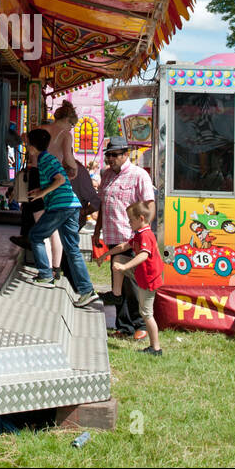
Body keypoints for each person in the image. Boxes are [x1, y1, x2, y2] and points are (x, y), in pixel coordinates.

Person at [25, 127, 98, 307]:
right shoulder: (49, 158)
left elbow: (60, 180)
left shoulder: (44, 159)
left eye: (27, 144)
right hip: (71, 205)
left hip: (61, 206)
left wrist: (42, 193)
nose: (26, 147)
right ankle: (87, 290)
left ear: (32, 146)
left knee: (36, 236)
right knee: (72, 249)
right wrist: (41, 191)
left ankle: (46, 274)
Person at [93, 136, 156, 340]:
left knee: (133, 283)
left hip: (131, 238)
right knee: (117, 284)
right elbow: (103, 205)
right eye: (108, 155)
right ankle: (124, 326)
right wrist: (97, 231)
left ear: (126, 155)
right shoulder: (107, 175)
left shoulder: (139, 176)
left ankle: (140, 325)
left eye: (114, 155)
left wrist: (142, 234)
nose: (110, 159)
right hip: (113, 236)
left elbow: (149, 206)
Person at [106, 201, 164, 356]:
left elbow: (144, 255)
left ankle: (156, 348)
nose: (128, 222)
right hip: (141, 274)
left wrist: (125, 268)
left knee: (146, 314)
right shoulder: (139, 234)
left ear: (141, 218)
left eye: (131, 220)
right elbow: (124, 247)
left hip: (149, 280)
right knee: (118, 257)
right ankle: (116, 295)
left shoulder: (146, 235)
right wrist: (105, 256)